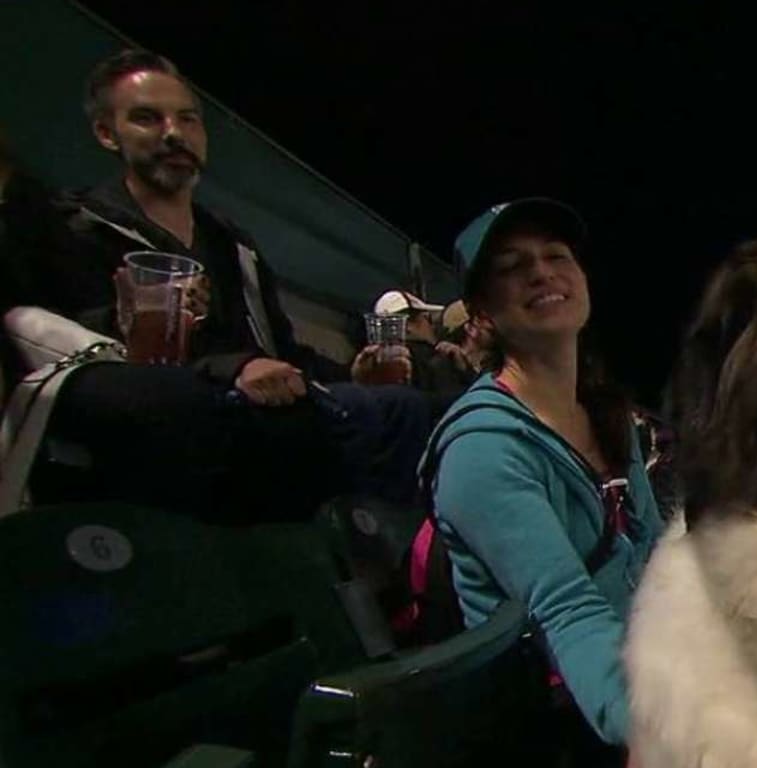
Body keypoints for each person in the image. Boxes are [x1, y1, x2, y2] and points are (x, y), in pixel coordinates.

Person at [1, 49, 429, 516]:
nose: (174, 133)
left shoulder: (232, 245)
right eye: (147, 118)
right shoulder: (75, 227)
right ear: (107, 133)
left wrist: (353, 374)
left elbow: (282, 350)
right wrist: (226, 363)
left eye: (187, 119)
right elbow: (64, 343)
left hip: (277, 414)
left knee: (410, 407)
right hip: (181, 426)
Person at [430, 198, 663, 756]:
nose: (541, 272)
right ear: (481, 314)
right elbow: (566, 610)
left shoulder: (605, 411)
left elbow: (657, 554)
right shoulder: (481, 448)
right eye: (512, 267)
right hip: (561, 714)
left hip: (650, 659)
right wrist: (659, 726)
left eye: (556, 255)